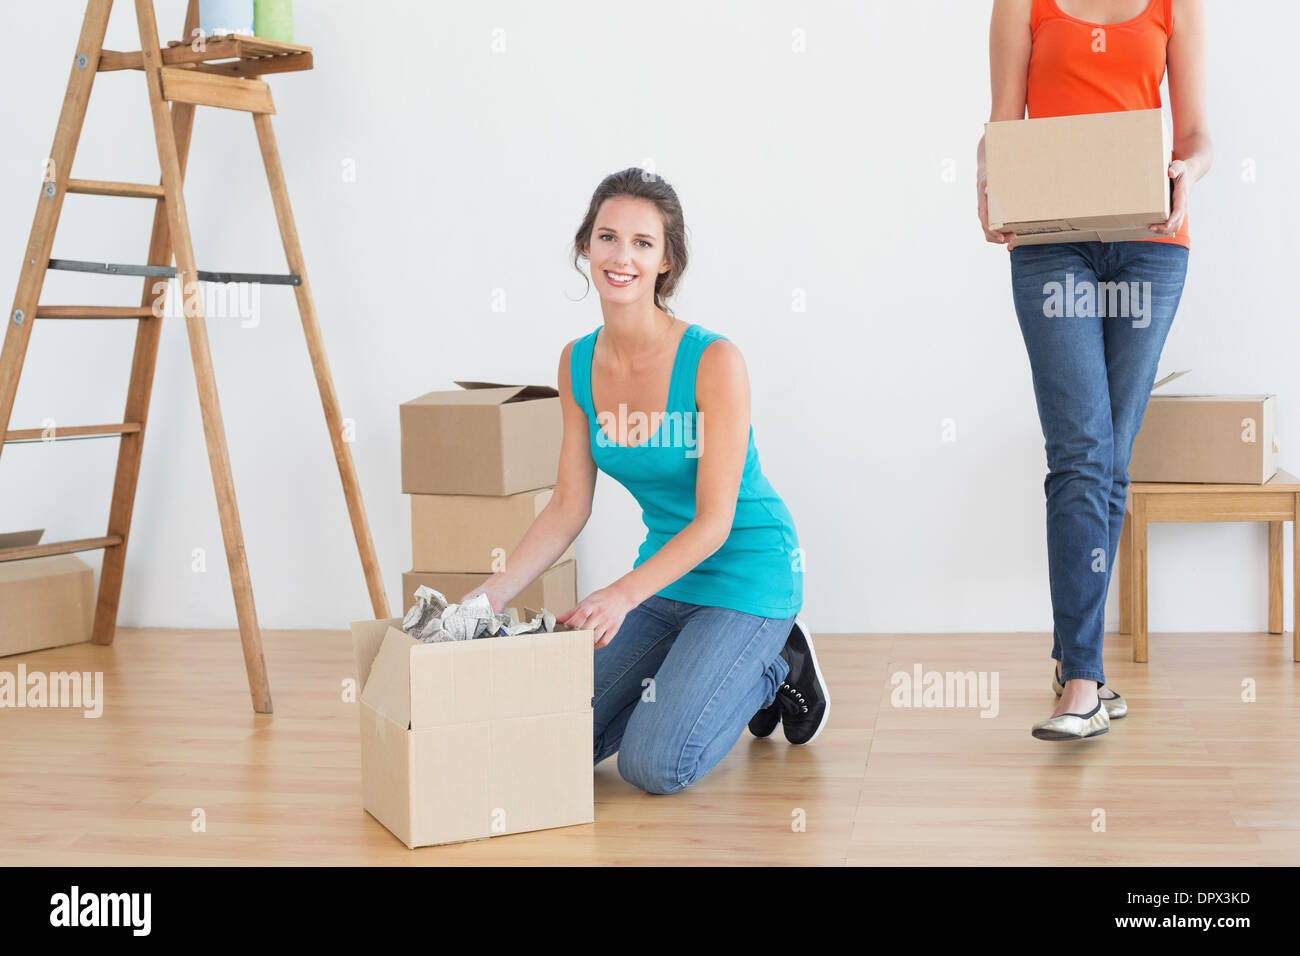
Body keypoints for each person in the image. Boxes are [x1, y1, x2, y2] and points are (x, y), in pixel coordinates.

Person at [462, 167, 829, 793]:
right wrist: (488, 597)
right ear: (585, 246)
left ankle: (777, 660)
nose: (621, 256)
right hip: (663, 576)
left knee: (655, 766)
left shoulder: (714, 360)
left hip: (747, 570)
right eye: (607, 237)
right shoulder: (578, 361)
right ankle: (688, 676)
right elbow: (567, 506)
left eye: (642, 243)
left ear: (666, 261)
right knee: (553, 739)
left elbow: (715, 521)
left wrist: (620, 595)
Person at [977, 0, 1211, 740]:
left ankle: (1078, 668)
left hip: (1150, 241)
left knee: (1108, 459)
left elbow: (1198, 133)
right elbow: (1003, 122)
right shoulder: (1024, 4)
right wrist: (988, 183)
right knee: (1080, 449)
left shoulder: (1179, 5)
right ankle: (1082, 678)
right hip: (1052, 242)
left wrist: (1187, 171)